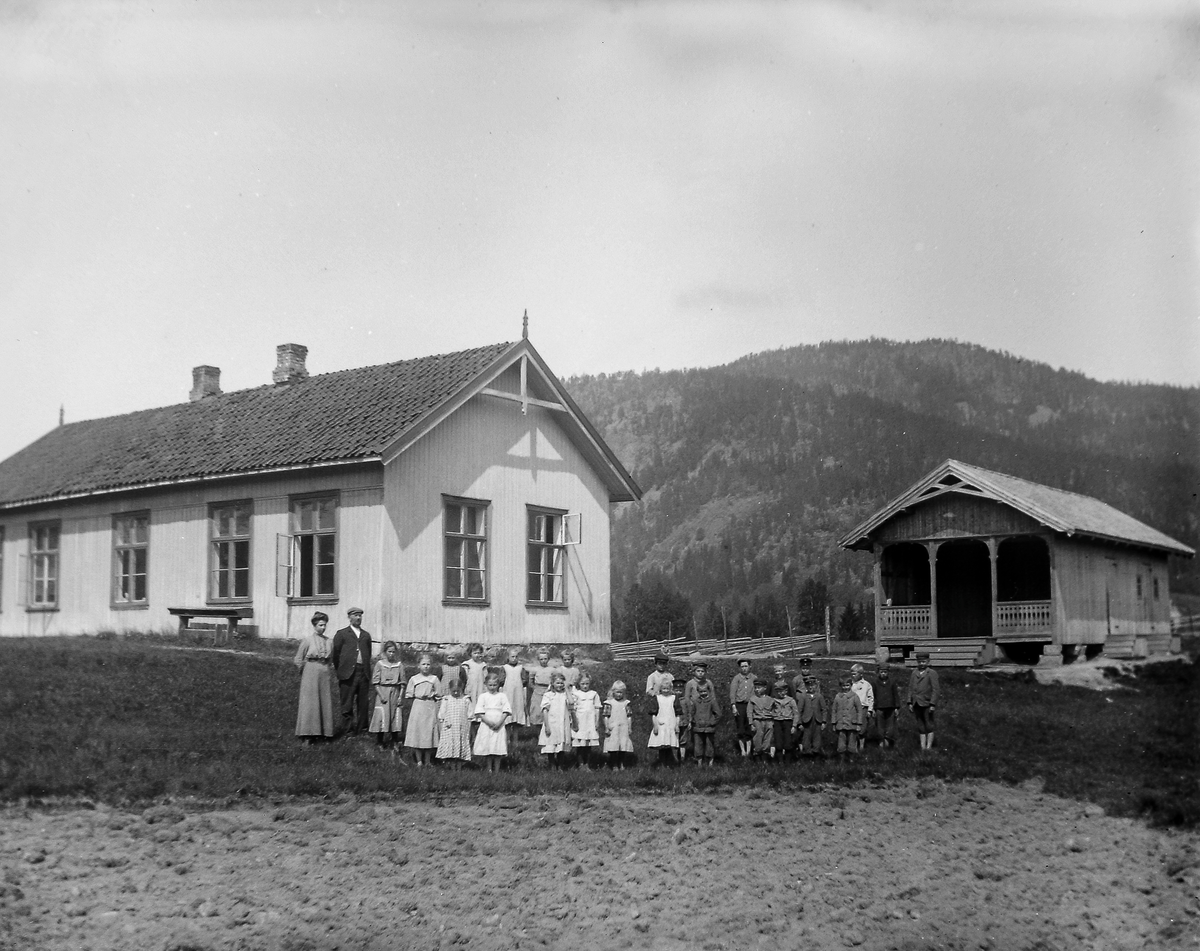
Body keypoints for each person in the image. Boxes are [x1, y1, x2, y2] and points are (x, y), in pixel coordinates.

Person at [293, 611, 337, 744]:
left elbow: (331, 659)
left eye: (324, 625)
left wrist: (327, 667)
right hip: (310, 672)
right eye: (320, 625)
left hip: (324, 672)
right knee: (310, 703)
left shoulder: (329, 641)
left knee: (324, 701)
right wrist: (304, 671)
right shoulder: (307, 641)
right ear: (314, 625)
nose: (323, 628)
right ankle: (307, 734)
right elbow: (298, 659)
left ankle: (325, 733)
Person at [331, 607, 373, 736]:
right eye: (355, 615)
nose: (358, 618)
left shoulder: (366, 635)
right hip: (347, 673)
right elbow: (335, 654)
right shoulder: (342, 634)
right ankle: (348, 729)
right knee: (347, 702)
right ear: (349, 617)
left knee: (363, 703)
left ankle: (363, 729)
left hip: (363, 672)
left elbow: (368, 653)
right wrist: (341, 669)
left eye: (360, 615)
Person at [403, 654, 441, 766]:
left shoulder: (434, 679)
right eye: (423, 664)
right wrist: (418, 695)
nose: (426, 666)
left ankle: (428, 760)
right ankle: (419, 760)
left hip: (430, 706)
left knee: (429, 732)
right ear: (418, 666)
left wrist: (432, 695)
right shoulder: (414, 679)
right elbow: (409, 694)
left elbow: (439, 694)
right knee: (418, 732)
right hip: (418, 707)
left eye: (428, 664)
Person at [472, 673, 513, 773]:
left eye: (494, 685)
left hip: (499, 724)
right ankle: (489, 768)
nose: (492, 687)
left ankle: (497, 769)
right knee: (488, 747)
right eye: (490, 685)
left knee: (497, 747)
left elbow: (506, 710)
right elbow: (479, 711)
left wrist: (500, 722)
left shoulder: (502, 696)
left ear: (498, 685)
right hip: (487, 724)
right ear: (486, 684)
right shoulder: (483, 696)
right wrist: (488, 722)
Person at [368, 641, 406, 750]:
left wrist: (400, 697)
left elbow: (402, 682)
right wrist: (380, 695)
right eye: (389, 652)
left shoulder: (399, 665)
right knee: (381, 716)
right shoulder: (380, 664)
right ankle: (380, 741)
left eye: (393, 652)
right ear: (385, 652)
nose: (391, 654)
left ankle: (395, 741)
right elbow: (375, 682)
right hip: (383, 692)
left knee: (394, 716)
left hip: (395, 692)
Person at [435, 675, 472, 769]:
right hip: (449, 728)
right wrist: (443, 724)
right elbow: (441, 715)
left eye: (458, 691)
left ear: (461, 689)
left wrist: (469, 726)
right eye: (453, 691)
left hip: (461, 728)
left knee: (460, 746)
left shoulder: (465, 700)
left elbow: (470, 715)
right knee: (450, 747)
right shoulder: (446, 699)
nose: (455, 693)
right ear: (450, 689)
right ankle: (451, 767)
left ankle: (459, 767)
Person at [908, 652, 941, 751]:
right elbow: (910, 687)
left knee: (928, 723)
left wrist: (932, 703)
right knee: (920, 724)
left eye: (924, 661)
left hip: (927, 703)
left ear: (928, 661)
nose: (921, 664)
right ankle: (923, 746)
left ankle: (929, 746)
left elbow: (936, 689)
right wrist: (909, 701)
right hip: (916, 703)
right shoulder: (914, 672)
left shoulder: (931, 673)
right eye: (919, 662)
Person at [539, 671, 572, 769]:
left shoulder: (564, 695)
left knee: (561, 746)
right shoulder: (548, 695)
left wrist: (566, 689)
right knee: (550, 745)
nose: (560, 685)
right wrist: (547, 726)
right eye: (557, 683)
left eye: (562, 683)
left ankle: (560, 766)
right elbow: (545, 711)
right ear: (552, 683)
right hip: (551, 723)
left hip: (562, 724)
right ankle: (552, 765)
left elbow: (571, 702)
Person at [571, 672, 602, 769]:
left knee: (588, 745)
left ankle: (587, 764)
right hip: (580, 722)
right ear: (578, 684)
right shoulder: (576, 694)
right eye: (582, 684)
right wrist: (574, 722)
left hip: (590, 722)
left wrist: (597, 721)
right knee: (580, 745)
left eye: (587, 684)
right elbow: (573, 709)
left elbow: (597, 708)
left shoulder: (593, 694)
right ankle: (580, 764)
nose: (585, 686)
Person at [500, 648, 529, 749]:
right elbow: (501, 680)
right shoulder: (505, 668)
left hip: (518, 695)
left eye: (516, 656)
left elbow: (525, 680)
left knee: (516, 716)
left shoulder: (521, 668)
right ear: (508, 657)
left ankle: (515, 740)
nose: (514, 658)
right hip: (508, 694)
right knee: (508, 717)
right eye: (512, 656)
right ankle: (507, 739)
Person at [688, 681, 722, 766]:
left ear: (708, 691)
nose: (703, 693)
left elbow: (718, 714)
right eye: (701, 691)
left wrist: (712, 722)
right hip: (698, 727)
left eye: (705, 691)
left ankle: (710, 762)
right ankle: (699, 762)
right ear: (698, 692)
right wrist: (692, 721)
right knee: (698, 745)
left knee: (709, 744)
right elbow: (691, 712)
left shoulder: (712, 701)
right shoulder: (696, 701)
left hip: (709, 727)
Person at [647, 679, 680, 766]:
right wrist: (655, 726)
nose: (665, 691)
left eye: (667, 689)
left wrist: (677, 725)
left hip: (671, 724)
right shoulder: (657, 698)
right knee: (662, 744)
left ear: (671, 689)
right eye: (664, 689)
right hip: (661, 724)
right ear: (660, 689)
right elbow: (654, 714)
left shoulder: (674, 698)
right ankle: (662, 763)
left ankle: (669, 763)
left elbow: (678, 714)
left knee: (669, 744)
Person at [603, 680, 634, 770]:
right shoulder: (609, 703)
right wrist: (606, 727)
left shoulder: (626, 703)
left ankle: (621, 763)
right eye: (617, 692)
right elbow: (606, 716)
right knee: (614, 746)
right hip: (614, 727)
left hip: (623, 727)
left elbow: (629, 716)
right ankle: (614, 764)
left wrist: (629, 727)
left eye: (621, 692)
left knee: (623, 746)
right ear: (613, 692)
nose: (619, 694)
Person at [831, 676, 864, 755]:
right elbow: (834, 710)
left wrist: (859, 723)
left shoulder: (854, 696)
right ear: (841, 686)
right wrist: (834, 723)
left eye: (847, 685)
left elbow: (859, 710)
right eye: (843, 685)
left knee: (852, 740)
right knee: (841, 740)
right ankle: (841, 757)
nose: (845, 687)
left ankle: (851, 757)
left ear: (851, 685)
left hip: (852, 723)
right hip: (841, 723)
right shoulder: (838, 697)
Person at [729, 659, 755, 759]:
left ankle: (749, 750)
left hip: (750, 705)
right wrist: (733, 706)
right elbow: (732, 693)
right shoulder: (737, 678)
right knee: (740, 727)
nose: (744, 668)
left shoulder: (753, 678)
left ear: (750, 666)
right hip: (740, 705)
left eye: (746, 666)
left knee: (749, 726)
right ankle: (742, 750)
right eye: (742, 666)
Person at [872, 665, 901, 748]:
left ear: (888, 672)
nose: (883, 674)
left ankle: (887, 741)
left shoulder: (892, 682)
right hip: (879, 708)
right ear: (878, 672)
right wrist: (873, 708)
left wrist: (896, 707)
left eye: (885, 672)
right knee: (880, 727)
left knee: (890, 726)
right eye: (881, 672)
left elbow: (895, 695)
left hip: (890, 708)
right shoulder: (875, 683)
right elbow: (872, 696)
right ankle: (881, 742)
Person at [748, 678, 776, 760]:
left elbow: (774, 710)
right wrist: (751, 723)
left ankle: (765, 754)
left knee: (768, 737)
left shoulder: (770, 700)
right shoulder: (753, 699)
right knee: (758, 736)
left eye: (759, 687)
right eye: (755, 688)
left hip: (768, 720)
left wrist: (773, 720)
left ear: (765, 688)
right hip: (757, 720)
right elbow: (749, 712)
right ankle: (757, 753)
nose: (757, 690)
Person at [799, 675, 826, 756]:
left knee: (817, 738)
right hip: (806, 721)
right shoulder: (803, 696)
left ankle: (816, 753)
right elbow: (799, 710)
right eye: (808, 685)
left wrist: (824, 721)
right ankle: (807, 754)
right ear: (806, 686)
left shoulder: (819, 696)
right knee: (806, 738)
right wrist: (799, 723)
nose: (810, 687)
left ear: (816, 685)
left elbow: (824, 709)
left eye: (812, 685)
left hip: (817, 721)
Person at [771, 680, 799, 761]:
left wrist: (794, 725)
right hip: (777, 722)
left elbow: (796, 713)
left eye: (782, 691)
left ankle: (788, 761)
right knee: (778, 742)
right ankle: (779, 761)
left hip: (788, 722)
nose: (781, 693)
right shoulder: (774, 700)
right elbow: (771, 711)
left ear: (786, 691)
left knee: (788, 743)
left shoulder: (791, 701)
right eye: (778, 692)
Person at [850, 664, 875, 751]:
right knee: (853, 727)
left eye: (854, 674)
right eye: (852, 674)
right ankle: (854, 746)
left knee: (862, 728)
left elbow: (870, 698)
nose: (853, 676)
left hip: (863, 708)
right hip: (853, 709)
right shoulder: (850, 685)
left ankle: (862, 746)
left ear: (861, 674)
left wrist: (870, 710)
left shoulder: (866, 685)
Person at [527, 648, 554, 728]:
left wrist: (550, 689)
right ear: (538, 659)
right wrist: (535, 688)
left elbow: (554, 681)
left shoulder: (552, 670)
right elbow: (530, 682)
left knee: (548, 710)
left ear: (548, 659)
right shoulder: (534, 669)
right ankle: (538, 734)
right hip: (537, 692)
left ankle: (548, 730)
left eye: (545, 659)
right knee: (537, 711)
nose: (543, 661)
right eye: (541, 659)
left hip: (548, 691)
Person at [461, 643, 489, 707]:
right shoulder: (467, 664)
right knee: (470, 704)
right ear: (470, 653)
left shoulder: (483, 665)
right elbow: (464, 678)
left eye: (479, 653)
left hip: (480, 687)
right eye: (475, 653)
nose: (477, 655)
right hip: (471, 687)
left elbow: (486, 677)